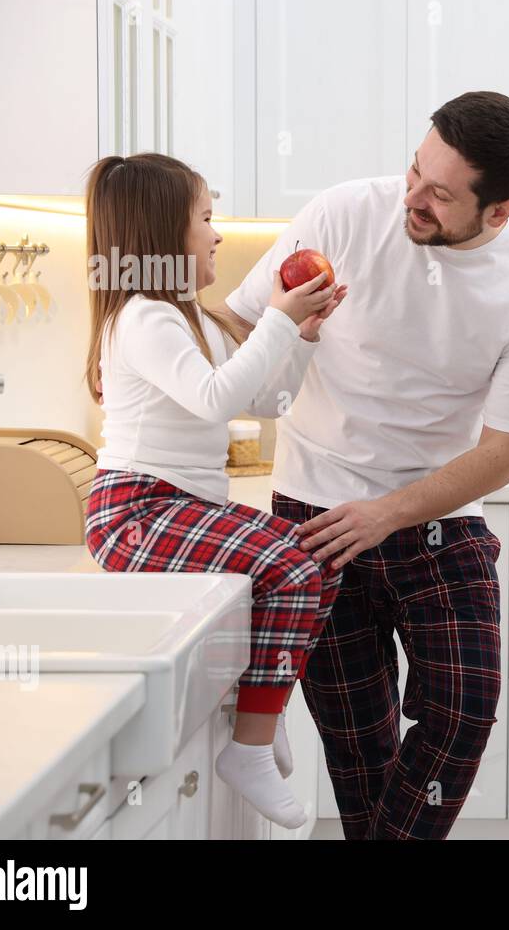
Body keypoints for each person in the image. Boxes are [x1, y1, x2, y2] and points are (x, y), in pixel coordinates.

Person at [217, 92, 509, 839]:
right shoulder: (343, 214)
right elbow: (240, 319)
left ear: (499, 212)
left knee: (465, 710)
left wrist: (385, 513)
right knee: (358, 747)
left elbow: (501, 454)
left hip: (438, 522)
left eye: (441, 194)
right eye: (415, 170)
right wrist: (293, 332)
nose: (412, 197)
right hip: (313, 514)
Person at [82, 152, 348, 829]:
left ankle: (262, 706)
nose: (218, 234)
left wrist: (304, 336)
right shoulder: (145, 316)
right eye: (206, 218)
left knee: (321, 552)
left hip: (176, 505)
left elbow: (265, 399)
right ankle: (251, 743)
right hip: (134, 510)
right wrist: (279, 320)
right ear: (165, 231)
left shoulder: (190, 318)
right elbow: (212, 401)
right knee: (292, 567)